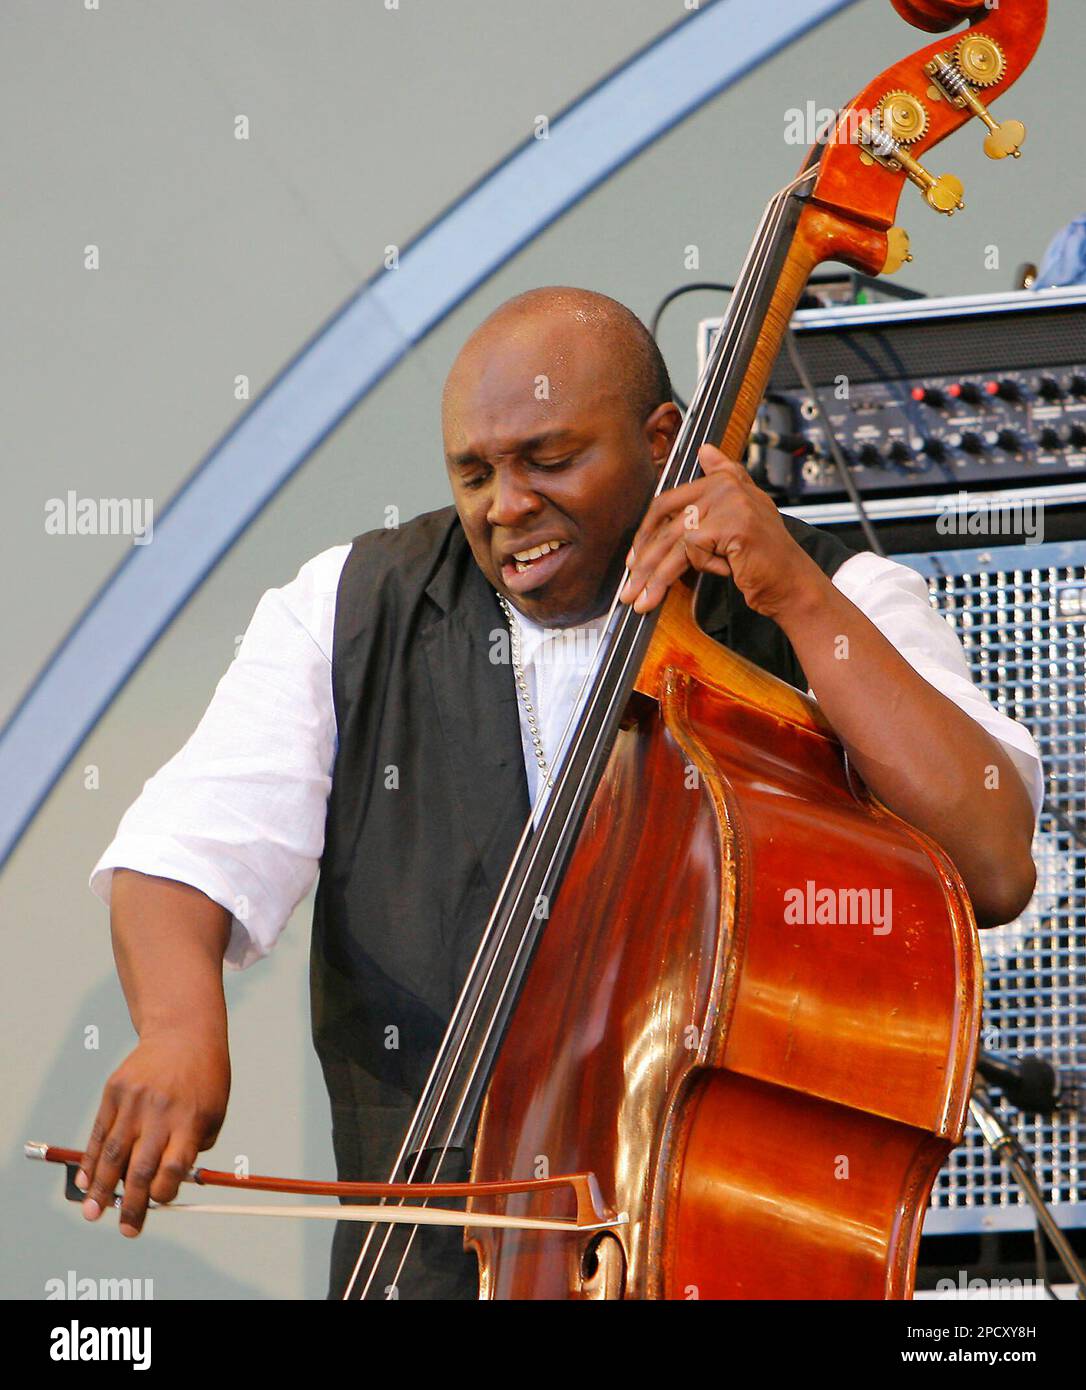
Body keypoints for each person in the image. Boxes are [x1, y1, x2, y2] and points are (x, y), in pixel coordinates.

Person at [78, 287, 1042, 1299]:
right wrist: (181, 1032)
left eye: (550, 459)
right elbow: (183, 853)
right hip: (427, 1272)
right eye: (475, 473)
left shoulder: (830, 600)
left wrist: (797, 598)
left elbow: (990, 859)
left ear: (665, 439)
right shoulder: (352, 609)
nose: (506, 506)